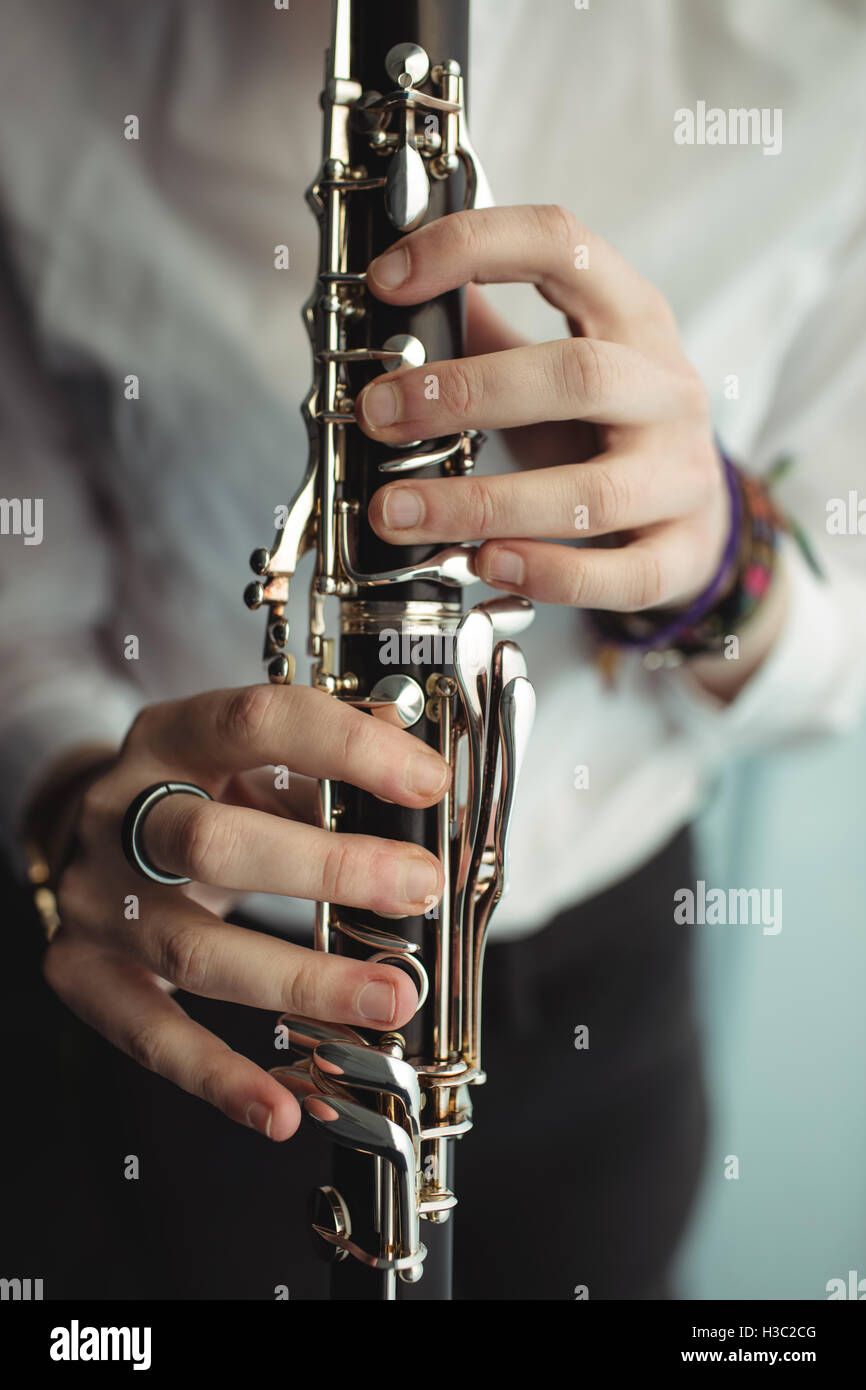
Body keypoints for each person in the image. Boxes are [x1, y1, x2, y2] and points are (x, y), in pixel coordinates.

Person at [1, 0, 864, 1300]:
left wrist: (714, 558)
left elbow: (840, 635)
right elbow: (23, 600)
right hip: (166, 955)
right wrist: (73, 804)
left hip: (603, 992)